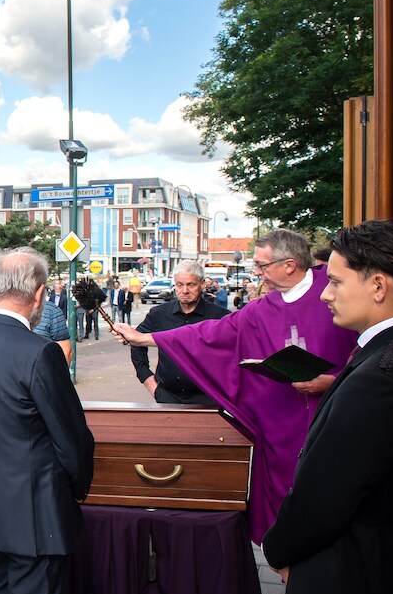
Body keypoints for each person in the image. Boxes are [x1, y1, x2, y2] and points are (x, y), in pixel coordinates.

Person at [113, 229, 358, 544]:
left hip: (335, 420)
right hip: (279, 427)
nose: (256, 272)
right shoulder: (261, 309)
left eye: (262, 265)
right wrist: (146, 338)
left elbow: (370, 353)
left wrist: (334, 381)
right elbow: (210, 334)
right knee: (288, 514)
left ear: (290, 265)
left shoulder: (335, 290)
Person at [262, 220, 393, 594]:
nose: (326, 294)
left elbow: (326, 494)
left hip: (352, 572)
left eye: (337, 282)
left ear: (378, 286)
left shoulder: (381, 378)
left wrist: (276, 549)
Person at [0, 247, 95, 594]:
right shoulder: (39, 351)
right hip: (36, 513)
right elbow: (72, 438)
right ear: (39, 294)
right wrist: (75, 490)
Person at [129, 261, 231, 405]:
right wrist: (147, 379)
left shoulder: (221, 318)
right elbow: (136, 341)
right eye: (179, 285)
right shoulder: (158, 314)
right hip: (167, 396)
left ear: (202, 284)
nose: (184, 291)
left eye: (191, 285)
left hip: (208, 398)